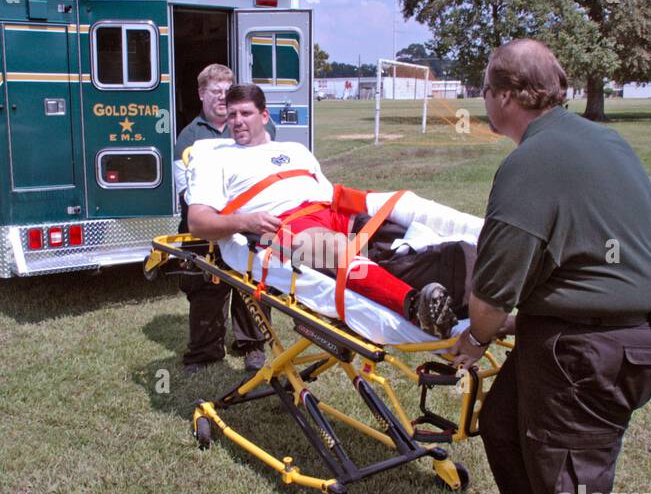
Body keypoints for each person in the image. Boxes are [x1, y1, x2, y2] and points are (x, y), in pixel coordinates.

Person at [449, 39, 651, 494]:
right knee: (502, 422)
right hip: (625, 329)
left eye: (485, 90)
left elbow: (493, 291)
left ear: (503, 95)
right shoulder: (600, 138)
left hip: (592, 346)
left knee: (572, 481)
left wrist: (475, 337)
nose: (483, 101)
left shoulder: (529, 164)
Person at [186, 84, 458, 338]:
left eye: (245, 113)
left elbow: (327, 191)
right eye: (232, 114)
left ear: (264, 116)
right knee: (338, 249)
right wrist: (246, 221)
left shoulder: (294, 149)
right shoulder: (215, 157)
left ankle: (461, 282)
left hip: (328, 209)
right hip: (283, 224)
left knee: (393, 232)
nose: (237, 121)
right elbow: (198, 223)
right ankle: (413, 305)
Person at [172, 64, 275, 374]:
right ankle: (204, 352)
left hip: (249, 227)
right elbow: (188, 193)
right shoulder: (189, 137)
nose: (221, 98)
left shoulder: (260, 132)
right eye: (215, 91)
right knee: (205, 290)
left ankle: (252, 346)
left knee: (253, 284)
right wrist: (230, 218)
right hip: (208, 228)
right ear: (202, 94)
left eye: (227, 92)